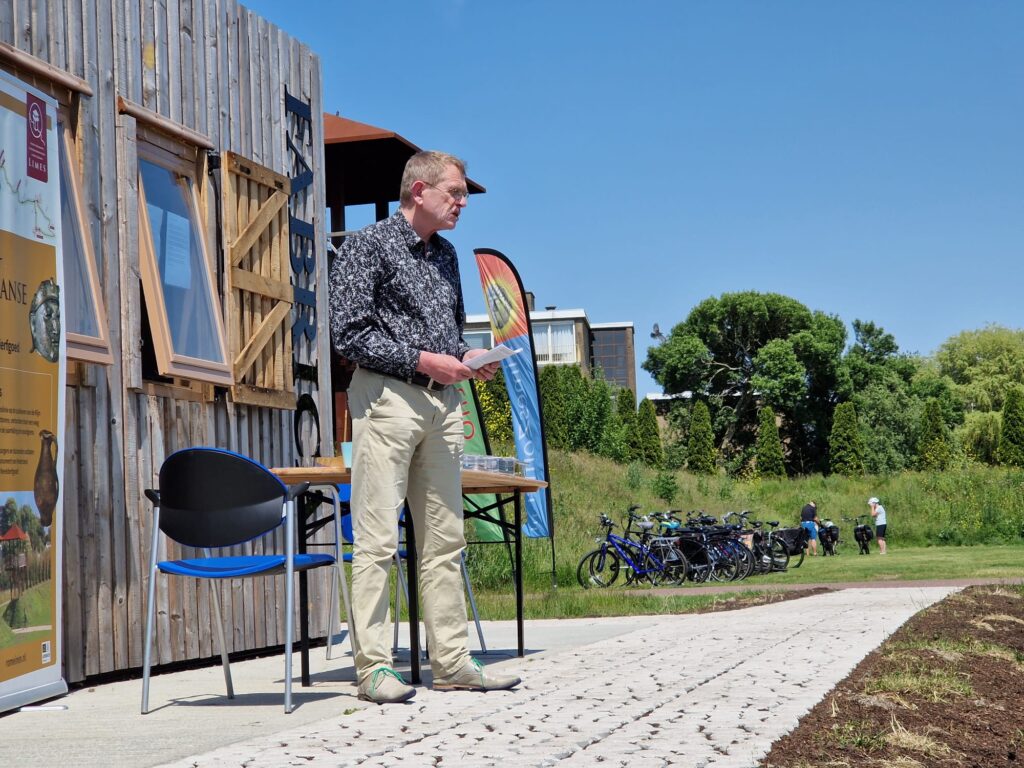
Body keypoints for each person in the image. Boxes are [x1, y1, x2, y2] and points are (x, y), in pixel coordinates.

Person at [329, 151, 521, 704]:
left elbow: (448, 332)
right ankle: (374, 670)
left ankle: (454, 662)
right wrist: (421, 359)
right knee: (378, 538)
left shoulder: (448, 256)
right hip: (387, 400)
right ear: (419, 190)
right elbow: (349, 335)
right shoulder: (367, 246)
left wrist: (469, 356)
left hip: (443, 404)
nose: (462, 203)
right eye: (455, 193)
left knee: (444, 539)